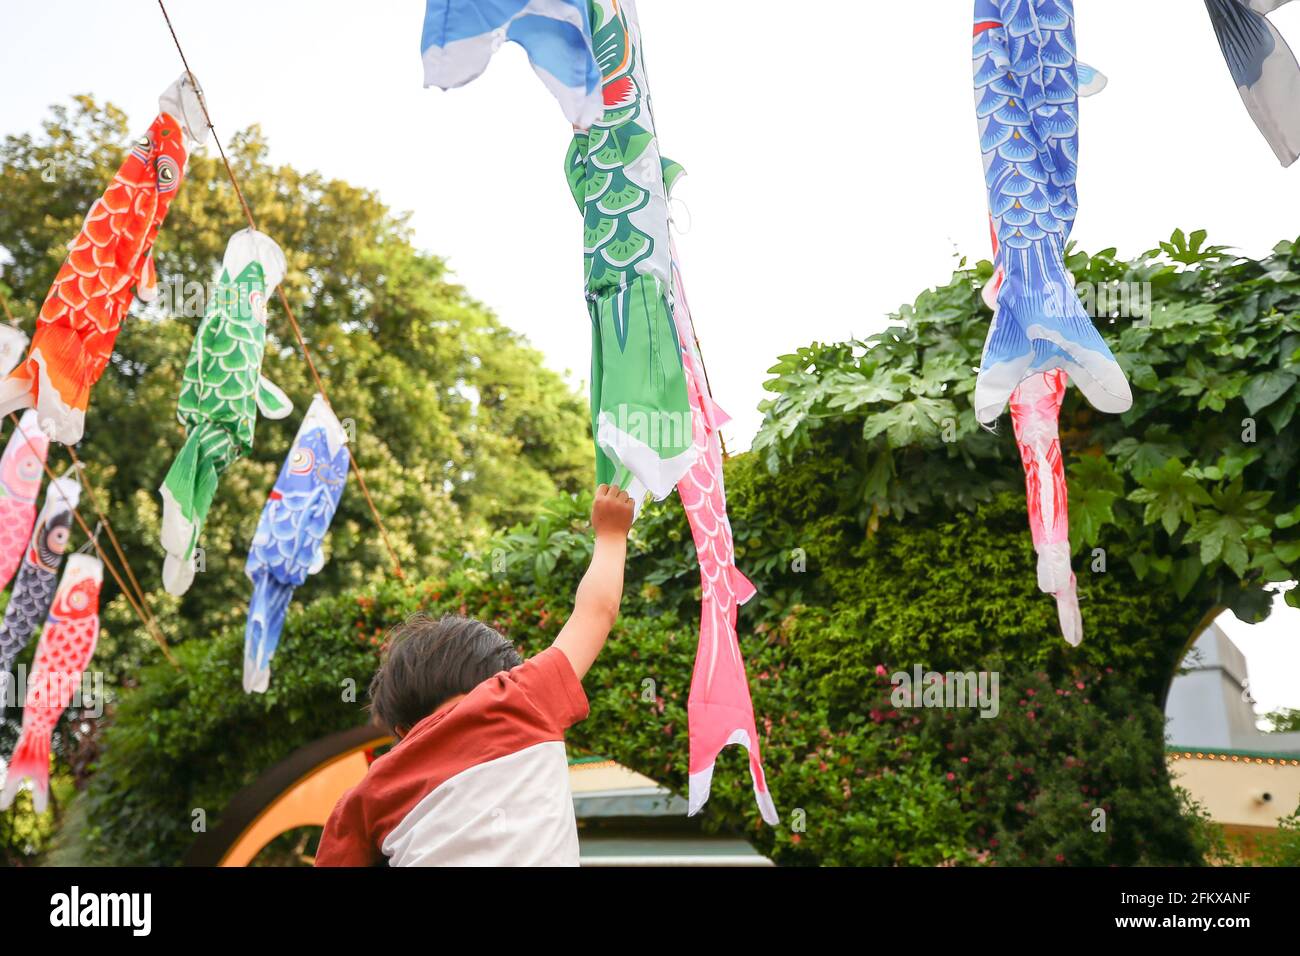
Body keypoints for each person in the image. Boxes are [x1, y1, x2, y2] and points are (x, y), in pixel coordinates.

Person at [314, 484, 636, 866]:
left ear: (403, 731)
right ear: (500, 673)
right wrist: (613, 534)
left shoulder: (369, 791)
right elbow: (597, 612)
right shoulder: (521, 698)